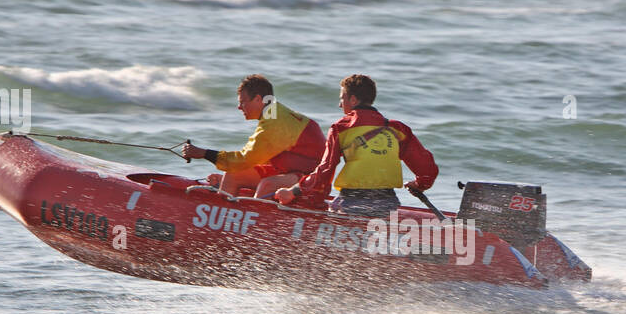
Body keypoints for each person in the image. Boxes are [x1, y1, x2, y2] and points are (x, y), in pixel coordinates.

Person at [273, 74, 437, 216]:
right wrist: (420, 184)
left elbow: (325, 171)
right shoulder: (398, 129)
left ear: (353, 99)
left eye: (342, 98)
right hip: (387, 203)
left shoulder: (341, 128)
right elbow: (426, 168)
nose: (340, 104)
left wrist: (294, 192)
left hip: (352, 202)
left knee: (332, 212)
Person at [182, 75, 324, 198]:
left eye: (242, 102)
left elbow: (245, 159)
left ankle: (254, 228)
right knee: (232, 175)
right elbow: (258, 159)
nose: (239, 107)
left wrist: (204, 153)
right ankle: (221, 224)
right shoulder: (273, 114)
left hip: (312, 180)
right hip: (290, 172)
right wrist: (224, 178)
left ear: (257, 99)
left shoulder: (276, 122)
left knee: (267, 185)